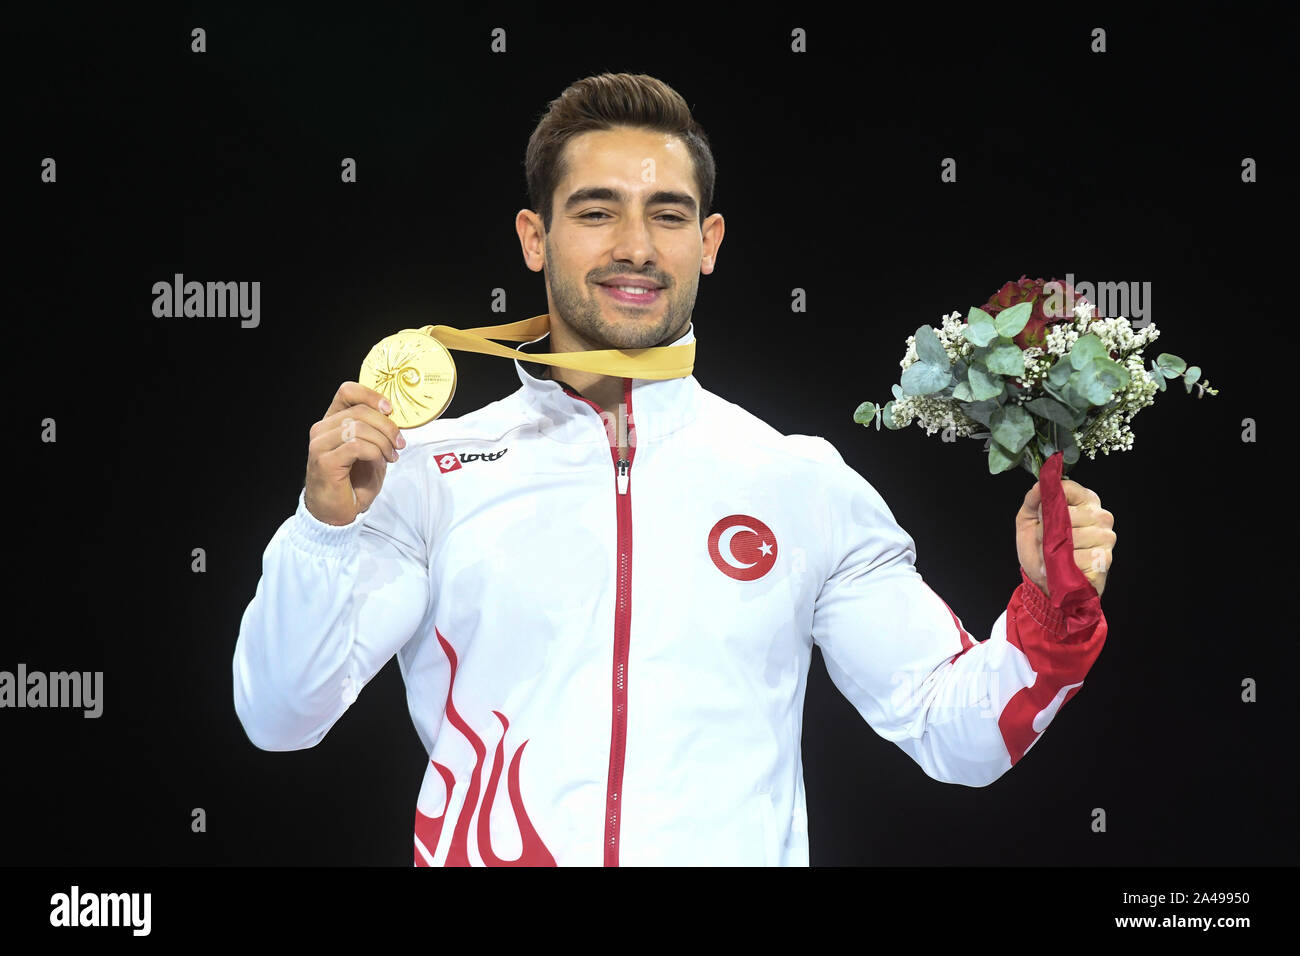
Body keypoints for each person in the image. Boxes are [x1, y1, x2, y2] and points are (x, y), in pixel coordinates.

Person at [233, 72, 1116, 867]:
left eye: (667, 214)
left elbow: (956, 735)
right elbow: (279, 717)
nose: (635, 246)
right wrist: (324, 530)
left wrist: (1046, 606)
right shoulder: (426, 473)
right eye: (596, 210)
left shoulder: (799, 481)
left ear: (710, 240)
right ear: (534, 237)